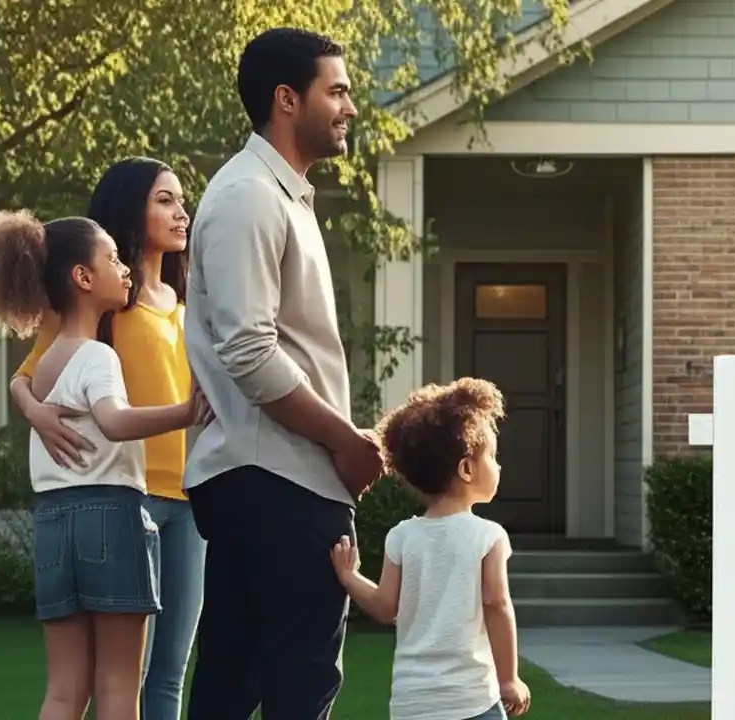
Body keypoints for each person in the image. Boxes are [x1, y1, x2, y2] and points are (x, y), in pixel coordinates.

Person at [182, 27, 384, 719]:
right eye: (339, 91)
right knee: (295, 683)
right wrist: (344, 441)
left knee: (236, 682)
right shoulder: (248, 197)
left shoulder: (281, 196)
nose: (351, 106)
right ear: (286, 100)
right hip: (278, 480)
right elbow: (249, 351)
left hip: (275, 480)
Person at [0, 209, 209, 720]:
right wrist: (187, 411)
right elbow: (115, 421)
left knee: (64, 691)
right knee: (121, 686)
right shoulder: (98, 356)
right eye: (114, 260)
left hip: (53, 524)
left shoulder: (50, 358)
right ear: (82, 277)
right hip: (112, 517)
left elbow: (24, 387)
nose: (125, 270)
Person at [330, 378, 531, 720]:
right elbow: (497, 604)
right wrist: (508, 678)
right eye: (493, 457)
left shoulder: (402, 536)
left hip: (413, 704)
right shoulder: (488, 536)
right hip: (472, 701)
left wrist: (350, 578)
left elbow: (383, 607)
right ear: (466, 469)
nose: (498, 466)